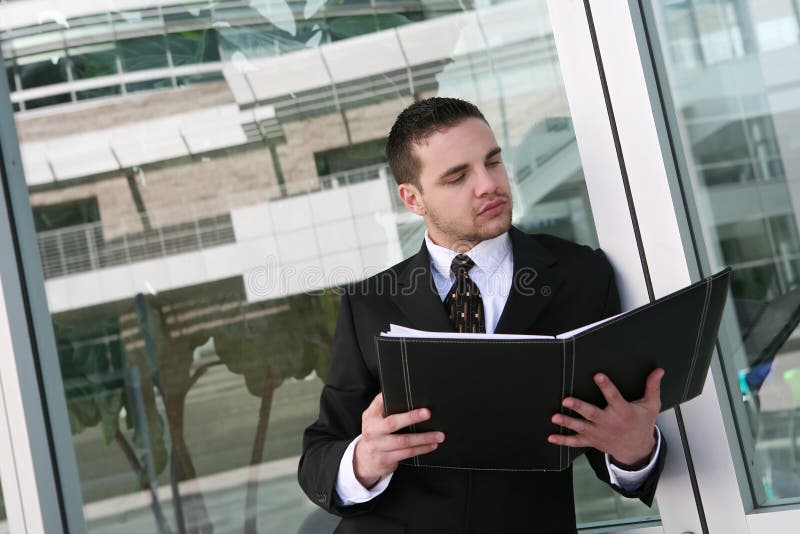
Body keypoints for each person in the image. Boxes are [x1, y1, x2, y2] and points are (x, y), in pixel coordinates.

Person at [298, 97, 666, 534]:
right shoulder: (368, 303)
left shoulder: (583, 277)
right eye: (458, 176)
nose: (488, 184)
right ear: (413, 199)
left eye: (492, 162)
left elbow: (613, 445)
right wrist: (363, 460)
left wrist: (635, 450)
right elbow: (320, 453)